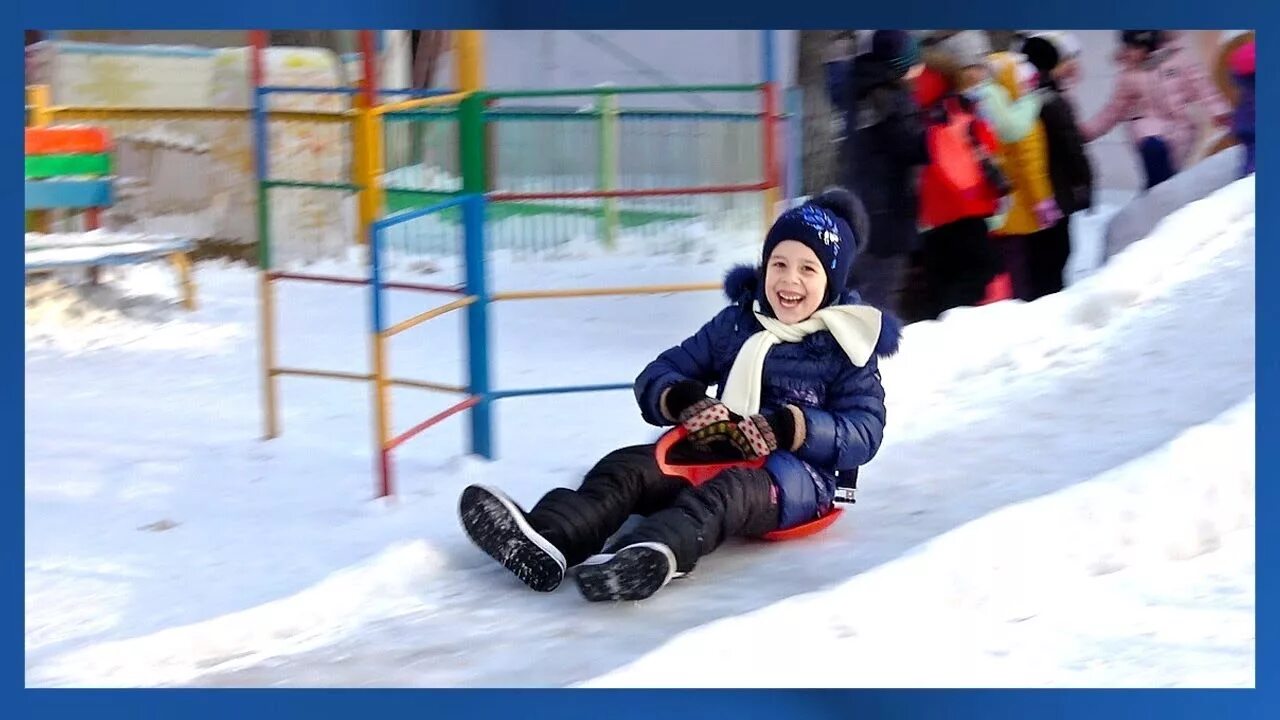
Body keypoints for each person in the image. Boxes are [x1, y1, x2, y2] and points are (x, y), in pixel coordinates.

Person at [458, 189, 903, 602]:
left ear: (831, 282)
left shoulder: (846, 344)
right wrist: (684, 400)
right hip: (726, 443)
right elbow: (661, 372)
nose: (789, 281)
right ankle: (549, 538)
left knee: (727, 493)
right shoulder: (738, 324)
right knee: (628, 468)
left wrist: (793, 427)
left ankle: (647, 555)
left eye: (808, 269)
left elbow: (865, 429)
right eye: (779, 264)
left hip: (800, 476)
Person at [834, 30, 930, 315]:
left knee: (855, 292)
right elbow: (912, 147)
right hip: (887, 215)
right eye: (912, 66)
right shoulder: (888, 98)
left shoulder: (859, 90)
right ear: (898, 64)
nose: (916, 73)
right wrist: (934, 129)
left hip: (859, 209)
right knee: (878, 299)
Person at [1081, 31, 1231, 190]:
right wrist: (1087, 132)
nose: (1129, 53)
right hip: (1148, 131)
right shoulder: (1130, 75)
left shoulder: (1179, 62)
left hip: (1180, 129)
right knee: (1155, 153)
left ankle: (1162, 197)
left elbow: (1203, 88)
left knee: (1170, 179)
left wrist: (1219, 110)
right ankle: (1155, 196)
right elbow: (1112, 110)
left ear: (1148, 45)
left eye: (1134, 48)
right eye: (1127, 47)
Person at [1017, 32, 1094, 300]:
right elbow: (1072, 148)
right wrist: (1086, 183)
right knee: (1056, 256)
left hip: (1028, 195)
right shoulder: (1053, 101)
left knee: (1036, 260)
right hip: (1057, 194)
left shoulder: (1017, 101)